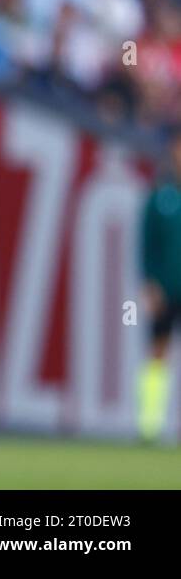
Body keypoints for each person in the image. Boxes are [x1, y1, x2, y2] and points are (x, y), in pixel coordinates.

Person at [138, 130, 181, 442]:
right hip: (166, 289)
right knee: (157, 353)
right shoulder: (159, 197)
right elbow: (146, 245)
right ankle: (149, 425)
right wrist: (150, 283)